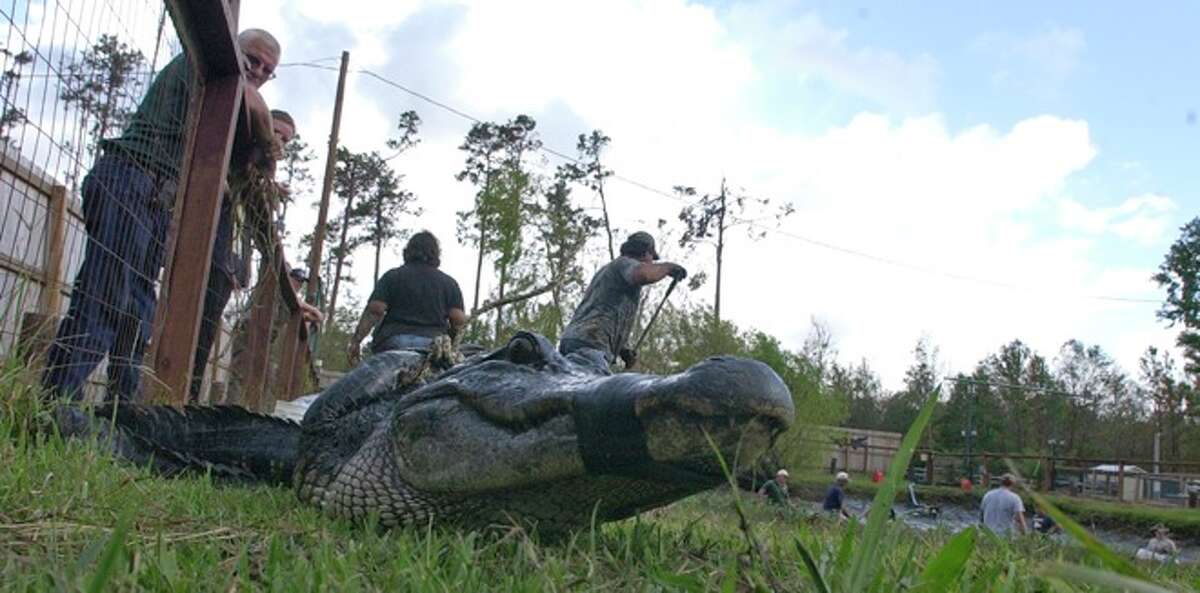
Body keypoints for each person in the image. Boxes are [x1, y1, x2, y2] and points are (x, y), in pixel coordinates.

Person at [43, 29, 283, 401]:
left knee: (137, 308)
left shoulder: (218, 101)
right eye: (252, 59)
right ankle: (55, 402)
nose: (257, 71)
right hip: (131, 179)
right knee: (106, 295)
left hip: (156, 201)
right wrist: (267, 149)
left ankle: (122, 411)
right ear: (233, 48)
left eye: (268, 70)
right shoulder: (206, 63)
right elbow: (254, 105)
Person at [190, 109, 299, 401]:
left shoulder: (261, 176)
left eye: (286, 139)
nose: (279, 140)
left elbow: (257, 218)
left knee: (205, 334)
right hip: (200, 253)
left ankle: (185, 397)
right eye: (275, 131)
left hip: (227, 265)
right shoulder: (235, 145)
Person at [558, 231, 687, 370]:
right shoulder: (624, 264)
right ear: (646, 252)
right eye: (652, 257)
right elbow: (643, 275)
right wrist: (669, 267)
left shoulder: (609, 271)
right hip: (590, 343)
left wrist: (623, 350)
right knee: (589, 386)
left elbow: (605, 312)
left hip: (577, 339)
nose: (652, 261)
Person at [348, 231, 466, 364]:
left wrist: (356, 341)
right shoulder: (449, 283)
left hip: (394, 342)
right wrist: (451, 345)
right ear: (436, 254)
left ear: (408, 251)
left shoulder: (392, 277)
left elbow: (375, 310)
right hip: (432, 346)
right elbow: (458, 320)